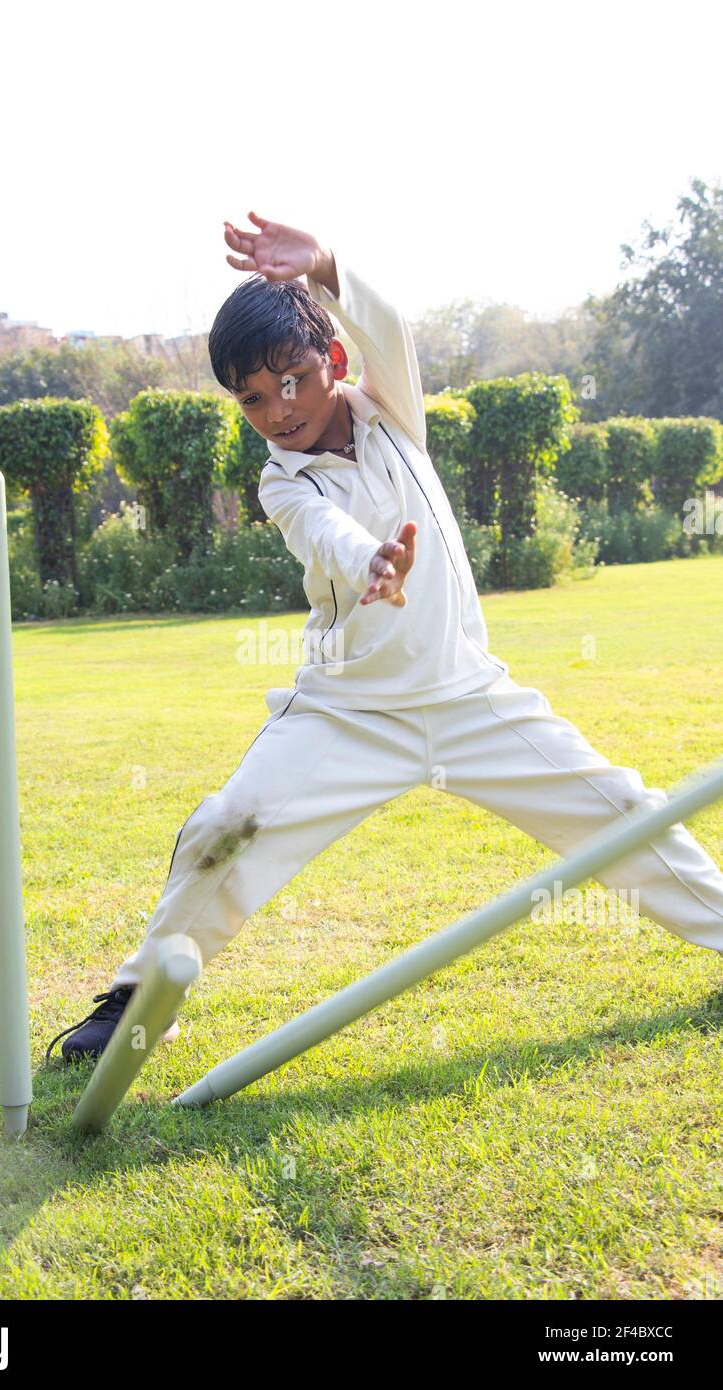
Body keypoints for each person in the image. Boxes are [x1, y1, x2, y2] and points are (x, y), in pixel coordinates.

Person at [46, 210, 723, 1066]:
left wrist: (325, 263)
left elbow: (389, 328)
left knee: (624, 810)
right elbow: (326, 533)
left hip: (469, 696)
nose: (275, 410)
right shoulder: (280, 483)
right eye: (251, 398)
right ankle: (140, 999)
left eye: (290, 381)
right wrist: (374, 563)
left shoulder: (393, 413)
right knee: (229, 823)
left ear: (332, 363)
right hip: (345, 713)